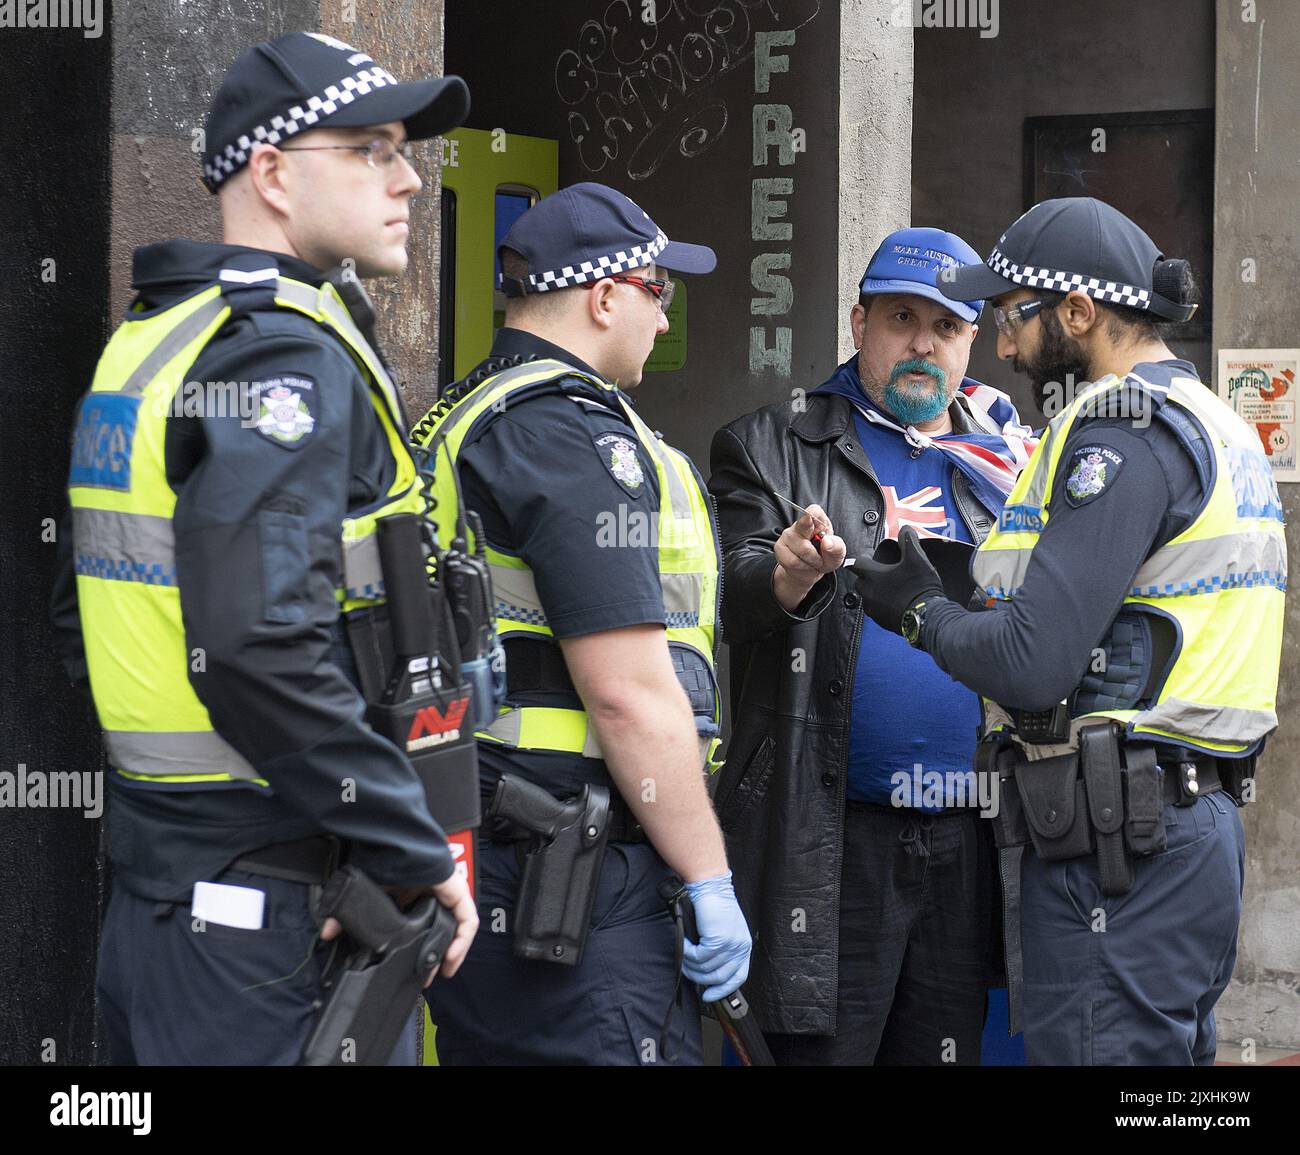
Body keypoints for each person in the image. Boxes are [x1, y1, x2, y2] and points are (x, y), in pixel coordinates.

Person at [51, 31, 478, 1065]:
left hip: (172, 898)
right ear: (274, 173)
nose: (409, 180)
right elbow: (254, 642)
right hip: (264, 918)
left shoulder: (160, 334)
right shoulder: (278, 351)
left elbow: (92, 622)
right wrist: (405, 844)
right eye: (372, 149)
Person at [852, 196, 1284, 1065]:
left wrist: (914, 611)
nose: (1001, 345)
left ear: (1078, 313)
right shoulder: (1213, 422)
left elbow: (1034, 661)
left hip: (1121, 853)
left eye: (1010, 315)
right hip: (1184, 834)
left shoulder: (1117, 436)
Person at [413, 182, 751, 1065]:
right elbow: (630, 696)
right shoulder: (567, 434)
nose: (665, 323)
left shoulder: (462, 413)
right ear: (606, 296)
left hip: (489, 854)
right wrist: (708, 876)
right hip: (575, 885)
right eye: (659, 293)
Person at [709, 227, 1036, 1064]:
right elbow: (736, 598)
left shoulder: (1007, 458)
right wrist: (786, 575)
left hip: (965, 832)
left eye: (947, 326)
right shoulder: (771, 442)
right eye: (901, 318)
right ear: (859, 324)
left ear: (971, 340)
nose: (923, 343)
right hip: (830, 838)